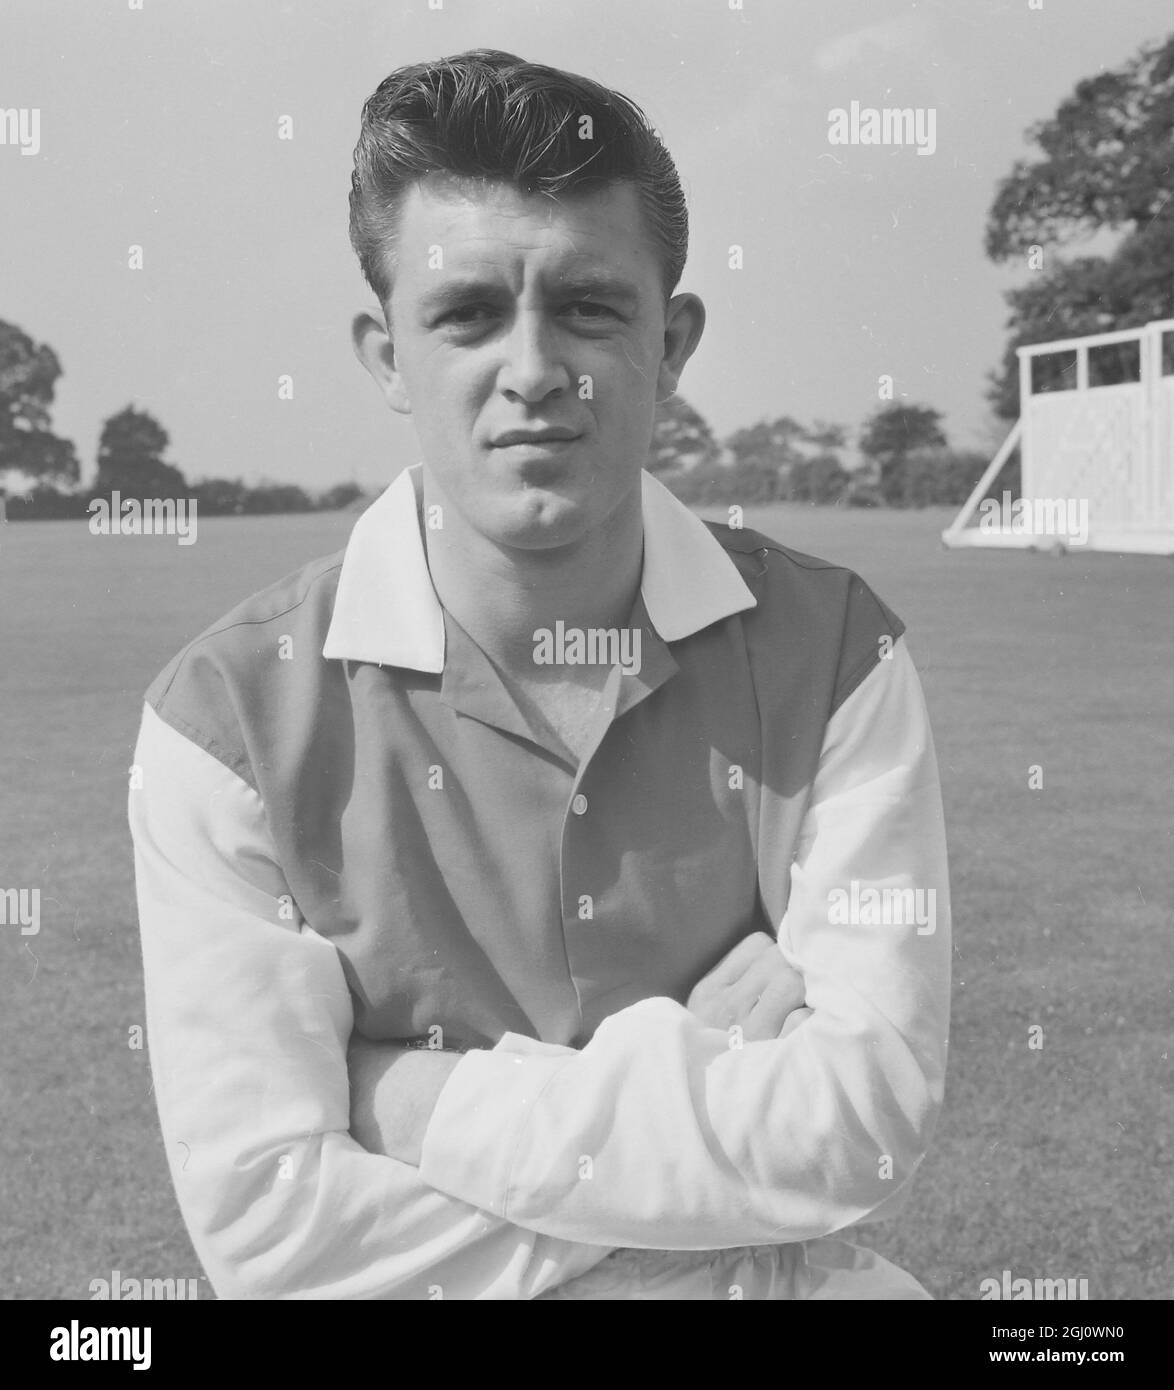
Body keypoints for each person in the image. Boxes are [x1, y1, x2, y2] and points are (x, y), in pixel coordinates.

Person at [130, 49, 951, 1300]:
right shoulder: (226, 723)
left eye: (588, 306)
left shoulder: (835, 653)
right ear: (385, 355)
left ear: (669, 342)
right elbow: (269, 1229)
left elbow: (866, 1125)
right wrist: (716, 1172)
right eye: (465, 314)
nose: (532, 369)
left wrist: (406, 1097)